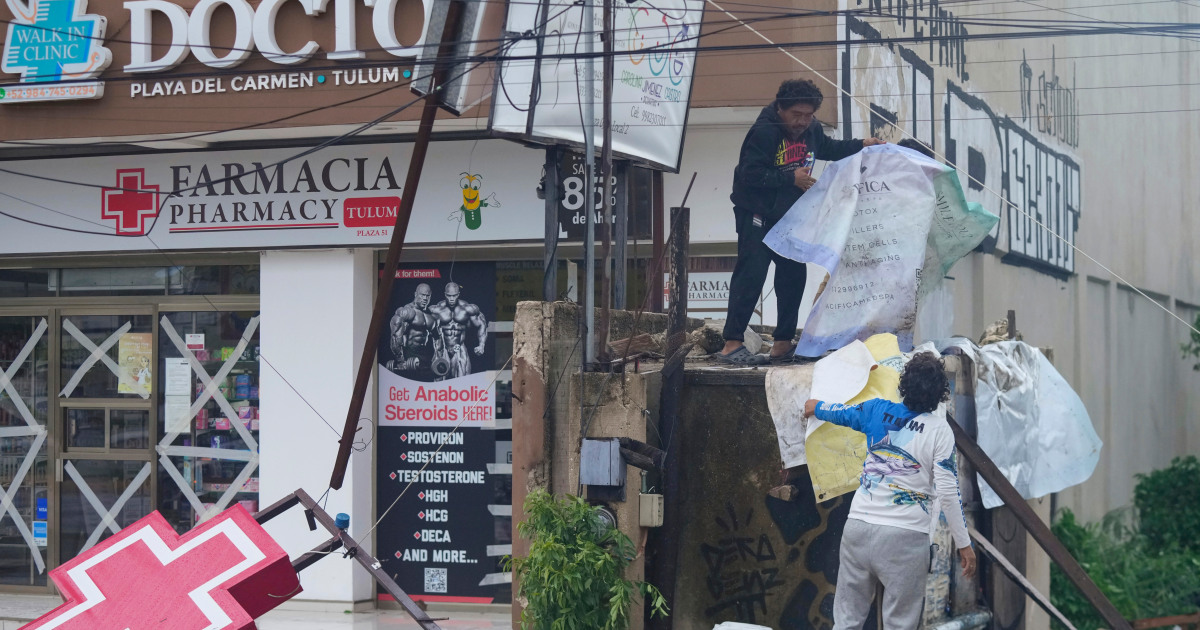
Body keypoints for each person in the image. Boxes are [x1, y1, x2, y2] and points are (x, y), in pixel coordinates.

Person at [801, 352, 977, 629]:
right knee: (899, 624)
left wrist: (816, 407)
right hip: (905, 540)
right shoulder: (939, 431)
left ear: (903, 385)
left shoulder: (875, 410)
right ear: (940, 394)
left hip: (858, 528)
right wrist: (964, 544)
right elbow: (948, 493)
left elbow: (843, 414)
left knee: (847, 620)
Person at [717, 79, 885, 365]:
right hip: (756, 213)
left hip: (790, 216)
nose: (803, 122)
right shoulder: (764, 131)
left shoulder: (812, 129)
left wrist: (862, 145)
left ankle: (783, 343)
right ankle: (732, 344)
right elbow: (749, 174)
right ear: (781, 108)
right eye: (797, 115)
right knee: (752, 274)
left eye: (808, 115)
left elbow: (829, 148)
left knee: (793, 276)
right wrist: (790, 177)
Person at [429, 282, 488, 379]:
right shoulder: (436, 310)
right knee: (439, 384)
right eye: (449, 296)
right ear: (445, 294)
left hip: (459, 347)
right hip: (442, 348)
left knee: (462, 381)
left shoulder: (468, 309)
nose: (451, 299)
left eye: (454, 296)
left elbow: (481, 324)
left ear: (458, 295)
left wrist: (481, 345)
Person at [388, 283, 439, 378]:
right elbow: (395, 336)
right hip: (409, 356)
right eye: (422, 295)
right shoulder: (407, 312)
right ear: (415, 294)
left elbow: (438, 338)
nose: (425, 298)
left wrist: (437, 357)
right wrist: (400, 360)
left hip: (425, 358)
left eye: (428, 296)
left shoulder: (430, 317)